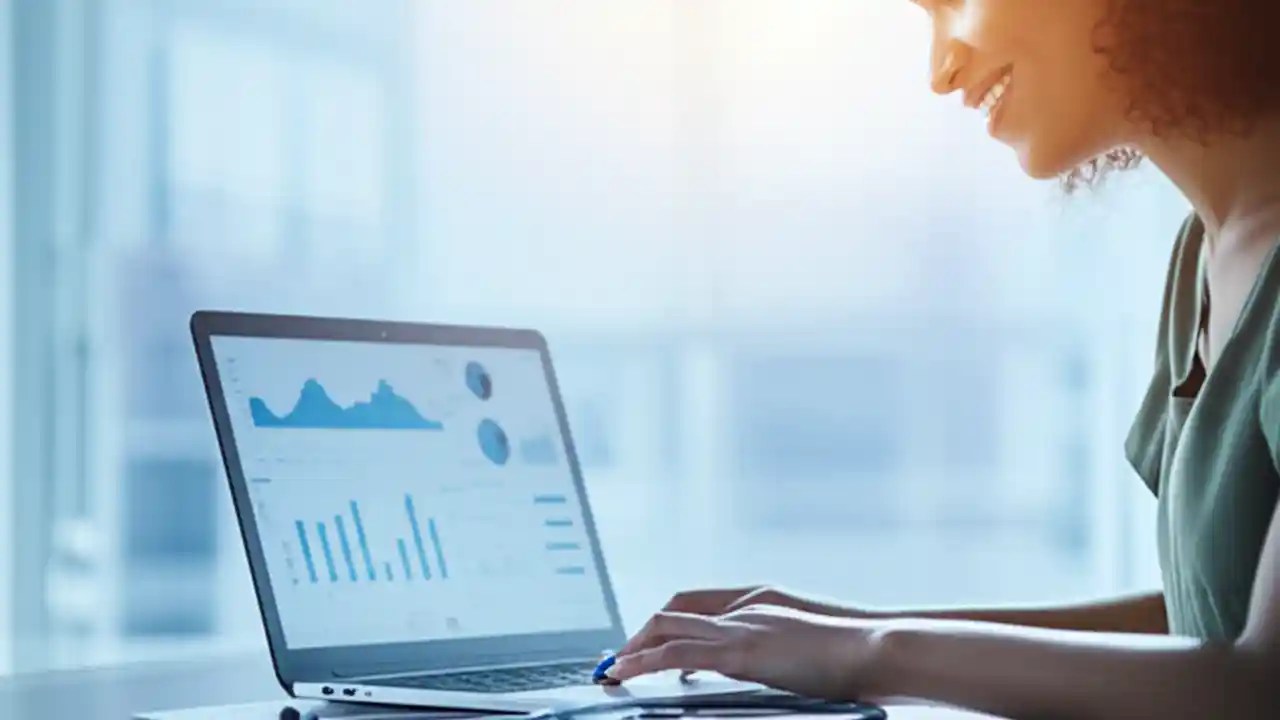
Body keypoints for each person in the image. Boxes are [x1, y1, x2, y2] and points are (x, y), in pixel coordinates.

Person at [602, 1, 1280, 717]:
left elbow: (1260, 682)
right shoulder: (1202, 256)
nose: (941, 70)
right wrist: (841, 630)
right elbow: (1197, 627)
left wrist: (867, 653)